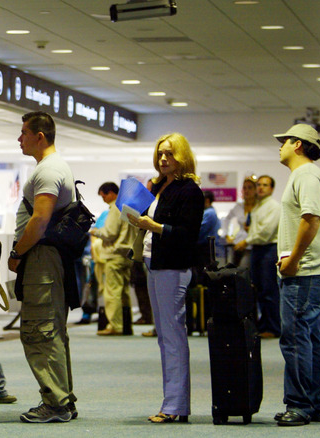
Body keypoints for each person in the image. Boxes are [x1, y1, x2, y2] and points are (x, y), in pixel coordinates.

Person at [127, 133, 203, 424]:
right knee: (165, 336)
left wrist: (155, 227)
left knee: (172, 336)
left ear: (181, 156)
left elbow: (187, 235)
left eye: (169, 154)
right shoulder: (160, 187)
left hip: (173, 266)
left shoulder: (190, 191)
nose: (163, 159)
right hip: (154, 263)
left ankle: (175, 405)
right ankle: (174, 403)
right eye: (160, 154)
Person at [8, 111, 77, 423]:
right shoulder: (50, 167)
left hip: (41, 258)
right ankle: (63, 398)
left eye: (23, 132)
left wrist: (17, 252)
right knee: (51, 330)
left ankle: (56, 403)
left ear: (40, 136)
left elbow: (40, 220)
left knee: (40, 331)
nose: (19, 138)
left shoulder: (48, 170)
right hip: (47, 258)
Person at [272, 124, 320, 426]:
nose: (280, 145)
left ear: (298, 144)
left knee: (295, 337)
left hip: (303, 272)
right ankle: (315, 404)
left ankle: (299, 405)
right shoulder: (311, 177)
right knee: (308, 336)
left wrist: (296, 260)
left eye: (284, 141)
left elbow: (311, 221)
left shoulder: (307, 175)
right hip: (312, 269)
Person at [233, 175, 281, 338]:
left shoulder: (274, 207)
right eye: (259, 184)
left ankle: (274, 327)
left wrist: (247, 241)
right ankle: (264, 324)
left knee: (269, 290)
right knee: (259, 291)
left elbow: (265, 233)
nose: (261, 187)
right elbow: (253, 228)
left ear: (272, 188)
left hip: (268, 249)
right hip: (257, 250)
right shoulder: (258, 207)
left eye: (265, 185)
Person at [90, 182, 135, 336]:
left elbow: (110, 233)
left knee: (112, 292)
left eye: (103, 195)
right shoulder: (129, 207)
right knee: (124, 292)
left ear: (110, 193)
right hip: (127, 255)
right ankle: (126, 325)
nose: (103, 199)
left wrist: (95, 231)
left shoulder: (115, 208)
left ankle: (115, 326)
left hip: (114, 255)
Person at [223, 176, 257, 267]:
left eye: (250, 188)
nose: (247, 191)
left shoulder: (259, 207)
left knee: (243, 269)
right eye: (244, 188)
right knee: (232, 270)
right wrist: (227, 235)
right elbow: (226, 219)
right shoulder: (239, 206)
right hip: (237, 244)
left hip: (252, 245)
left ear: (255, 190)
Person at [197, 190, 222, 270]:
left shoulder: (209, 213)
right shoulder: (209, 212)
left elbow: (200, 230)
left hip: (205, 249)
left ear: (207, 200)